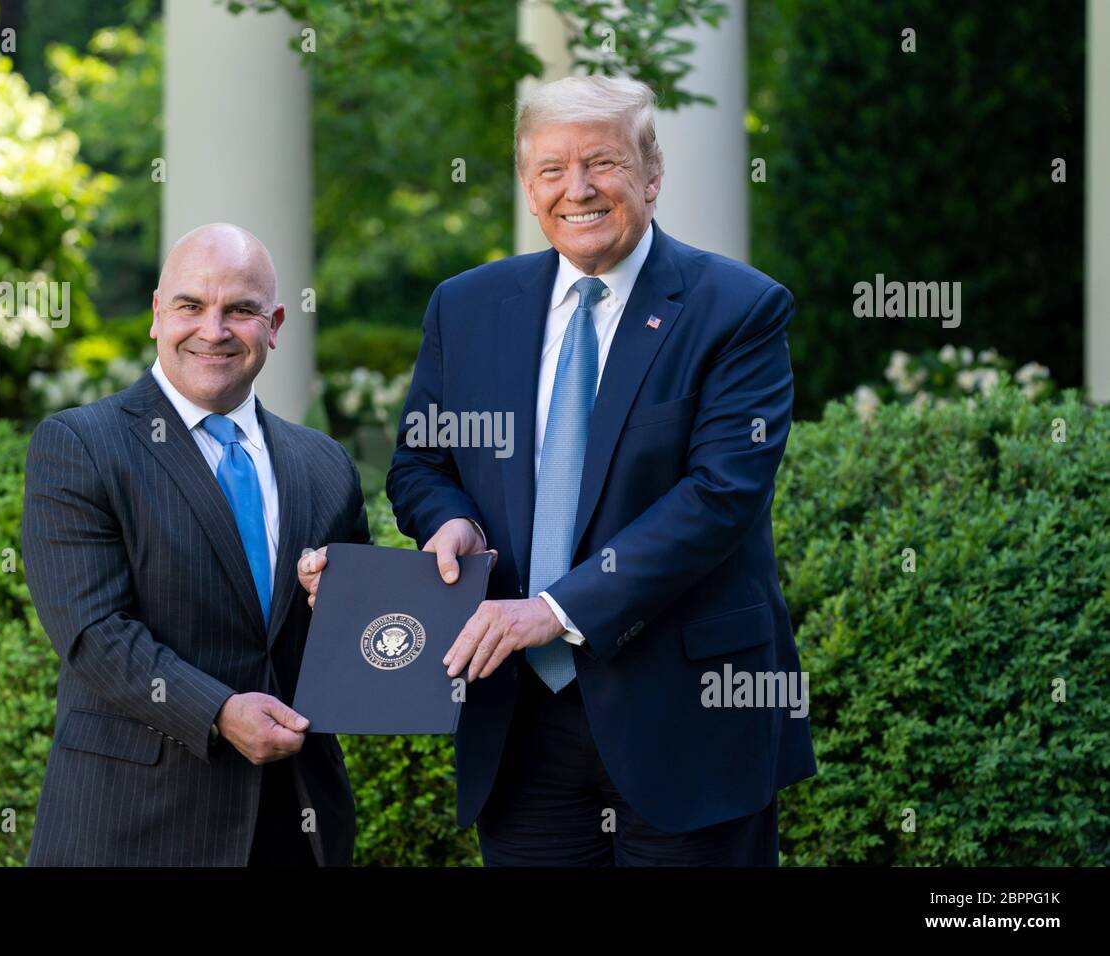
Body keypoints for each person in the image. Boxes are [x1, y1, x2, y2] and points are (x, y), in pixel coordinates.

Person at [302, 75, 816, 865]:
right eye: (551, 169)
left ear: (651, 173)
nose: (577, 189)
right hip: (517, 723)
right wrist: (452, 522)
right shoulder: (467, 307)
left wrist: (555, 609)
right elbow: (419, 462)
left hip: (687, 718)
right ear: (527, 185)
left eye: (602, 163)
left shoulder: (737, 309)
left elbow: (721, 497)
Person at [23, 223, 367, 866]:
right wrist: (219, 711)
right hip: (135, 825)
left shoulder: (325, 464)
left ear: (276, 324)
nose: (214, 330)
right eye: (190, 305)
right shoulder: (80, 446)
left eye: (241, 309)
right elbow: (94, 633)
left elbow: (350, 642)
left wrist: (344, 604)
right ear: (157, 314)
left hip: (295, 825)